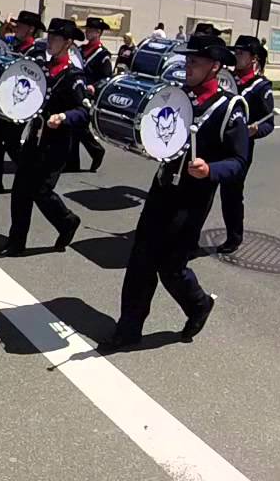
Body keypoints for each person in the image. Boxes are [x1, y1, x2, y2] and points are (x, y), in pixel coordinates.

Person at [99, 34, 248, 351]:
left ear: (214, 66)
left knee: (171, 266)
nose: (188, 66)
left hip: (193, 198)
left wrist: (210, 170)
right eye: (187, 60)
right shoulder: (176, 96)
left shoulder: (229, 108)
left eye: (195, 62)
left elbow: (238, 161)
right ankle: (128, 329)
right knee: (141, 259)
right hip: (163, 187)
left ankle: (198, 304)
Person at [0, 18, 89, 257]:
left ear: (68, 43)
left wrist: (63, 117)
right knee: (20, 191)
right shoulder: (41, 68)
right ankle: (16, 242)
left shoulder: (73, 76)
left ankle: (67, 221)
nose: (50, 42)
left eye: (56, 38)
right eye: (50, 37)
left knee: (42, 191)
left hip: (56, 144)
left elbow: (83, 111)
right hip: (35, 138)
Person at [216, 36, 274, 255]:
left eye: (241, 53)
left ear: (253, 58)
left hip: (239, 148)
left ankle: (234, 237)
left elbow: (268, 123)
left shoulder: (261, 87)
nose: (236, 56)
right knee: (203, 191)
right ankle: (189, 236)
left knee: (231, 194)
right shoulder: (225, 77)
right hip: (216, 142)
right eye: (236, 52)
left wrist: (255, 130)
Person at [0, 10, 45, 195]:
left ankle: (31, 175)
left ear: (31, 29)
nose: (17, 28)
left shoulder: (36, 52)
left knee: (12, 143)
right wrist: (5, 27)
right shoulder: (15, 44)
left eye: (21, 26)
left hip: (22, 104)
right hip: (7, 102)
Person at [71, 17, 111, 173]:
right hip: (77, 90)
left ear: (99, 33)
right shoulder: (80, 50)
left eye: (91, 30)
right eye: (87, 30)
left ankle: (96, 150)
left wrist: (94, 86)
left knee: (79, 126)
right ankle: (72, 162)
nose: (87, 32)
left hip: (89, 95)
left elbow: (106, 78)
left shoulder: (103, 54)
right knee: (73, 125)